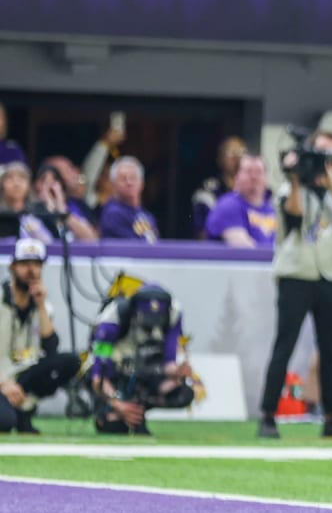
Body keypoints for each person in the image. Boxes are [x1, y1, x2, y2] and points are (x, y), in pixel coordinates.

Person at [258, 130, 332, 441]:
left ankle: (330, 417)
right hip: (297, 275)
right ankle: (268, 415)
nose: (322, 165)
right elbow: (295, 213)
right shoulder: (288, 189)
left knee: (329, 348)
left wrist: (328, 183)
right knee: (284, 343)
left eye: (327, 159)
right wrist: (298, 179)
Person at [89, 283, 197, 435]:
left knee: (181, 393)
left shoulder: (172, 315)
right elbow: (98, 375)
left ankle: (138, 410)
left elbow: (168, 362)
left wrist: (178, 371)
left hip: (146, 372)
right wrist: (117, 403)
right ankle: (113, 411)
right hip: (115, 377)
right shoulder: (111, 322)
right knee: (112, 426)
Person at [0, 239, 81, 434]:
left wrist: (41, 305)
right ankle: (15, 412)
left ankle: (22, 409)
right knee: (4, 423)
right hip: (1, 374)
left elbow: (51, 348)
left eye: (36, 265)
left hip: (22, 374)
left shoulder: (42, 305)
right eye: (25, 264)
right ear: (12, 267)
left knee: (69, 361)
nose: (31, 270)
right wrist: (3, 383)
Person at [205, 154, 277, 248]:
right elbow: (245, 249)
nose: (254, 177)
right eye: (248, 171)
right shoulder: (228, 205)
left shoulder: (270, 209)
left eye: (259, 172)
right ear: (236, 177)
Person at [192, 136, 246, 240]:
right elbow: (202, 232)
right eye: (231, 153)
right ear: (219, 159)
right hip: (218, 251)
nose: (237, 158)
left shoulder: (251, 191)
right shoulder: (208, 190)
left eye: (241, 153)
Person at [99, 157, 159, 242]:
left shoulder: (147, 215)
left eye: (133, 177)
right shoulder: (113, 213)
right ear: (112, 184)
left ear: (142, 183)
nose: (129, 182)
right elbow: (136, 249)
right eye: (123, 178)